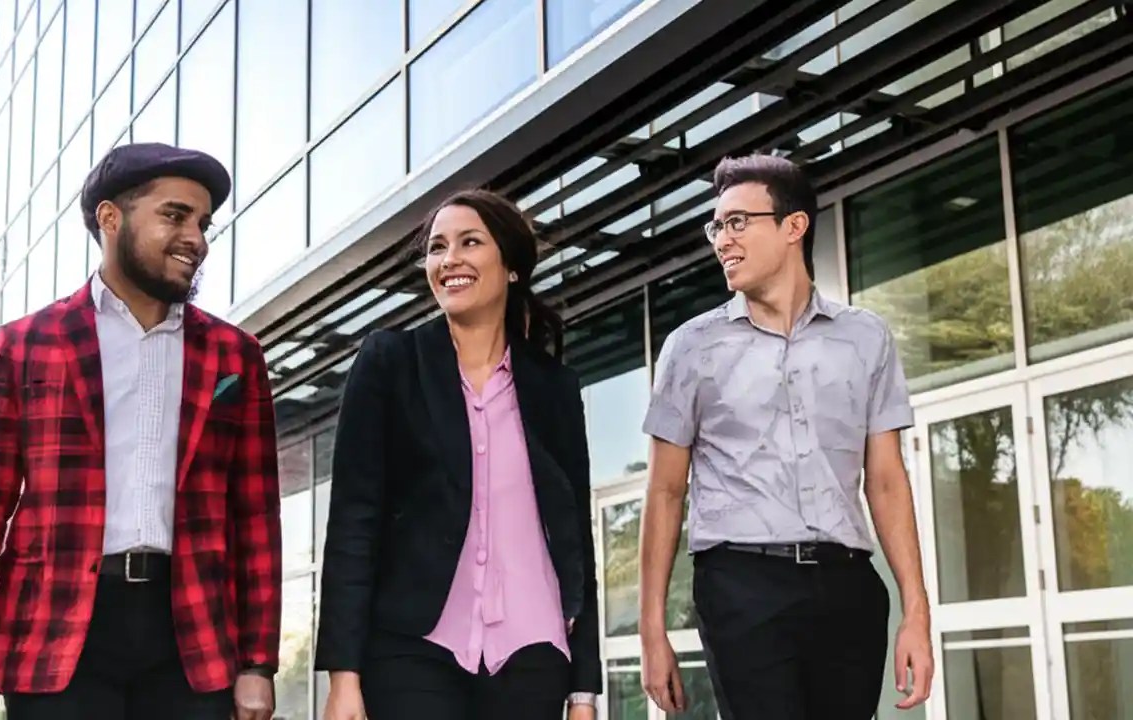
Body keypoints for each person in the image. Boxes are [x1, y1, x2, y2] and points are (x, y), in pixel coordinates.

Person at [0, 142, 282, 720]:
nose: (196, 238)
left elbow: (255, 516)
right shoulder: (25, 345)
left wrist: (258, 662)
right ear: (110, 218)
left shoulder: (234, 354)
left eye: (203, 223)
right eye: (175, 215)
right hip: (55, 637)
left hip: (193, 637)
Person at [637, 154, 934, 719]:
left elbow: (887, 481)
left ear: (793, 226)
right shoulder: (690, 348)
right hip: (741, 585)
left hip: (848, 584)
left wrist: (915, 611)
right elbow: (665, 491)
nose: (722, 240)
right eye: (716, 227)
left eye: (737, 222)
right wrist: (653, 630)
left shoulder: (865, 338)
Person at [315, 189, 601, 720]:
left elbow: (576, 539)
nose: (449, 259)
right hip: (411, 650)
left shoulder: (555, 387)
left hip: (533, 653)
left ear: (511, 267)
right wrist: (343, 675)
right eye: (437, 247)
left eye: (470, 242)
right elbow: (354, 522)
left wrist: (584, 691)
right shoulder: (389, 362)